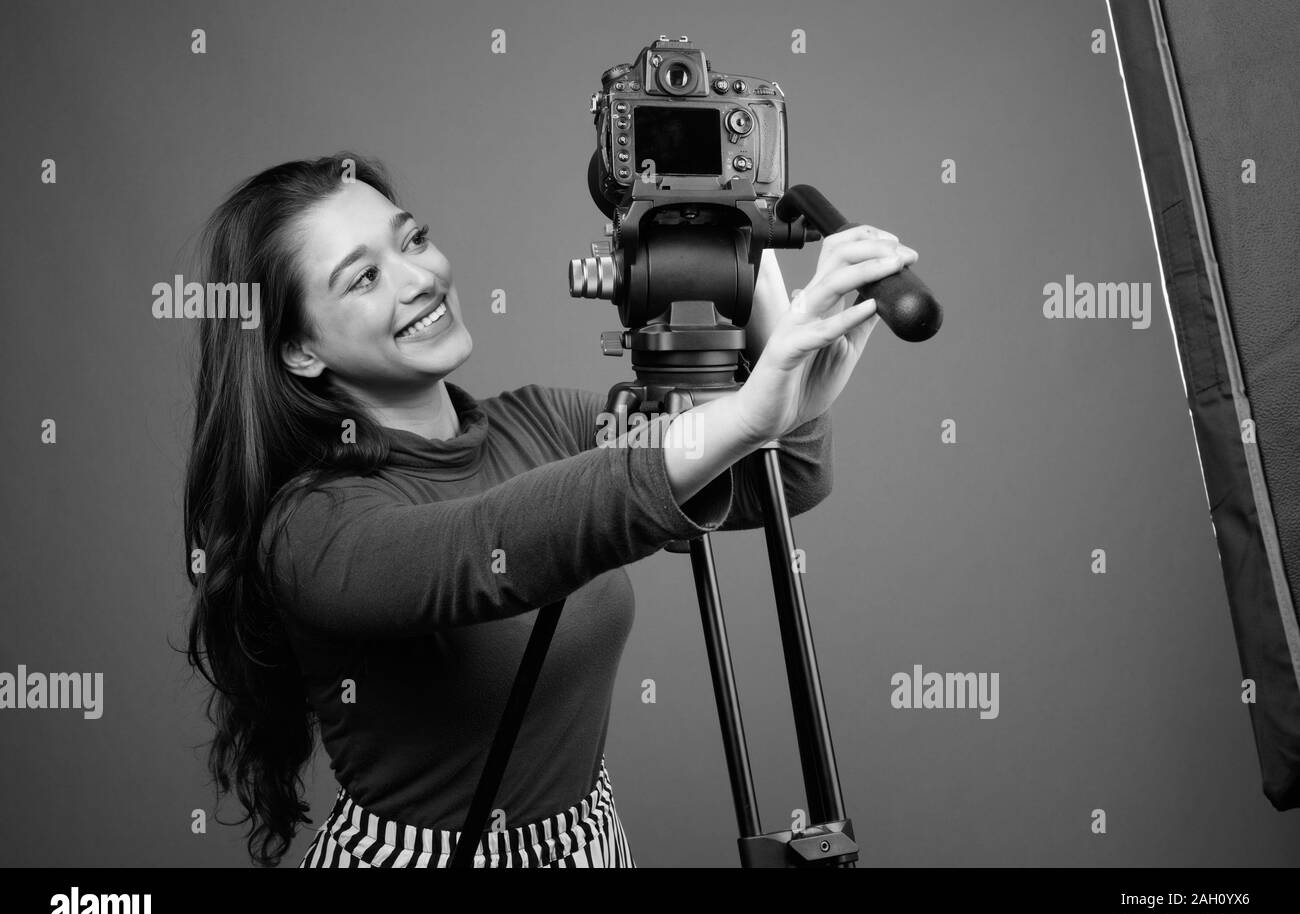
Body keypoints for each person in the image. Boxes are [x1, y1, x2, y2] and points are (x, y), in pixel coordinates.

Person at [183, 152, 918, 868]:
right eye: (366, 277)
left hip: (589, 843)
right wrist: (751, 411)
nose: (419, 278)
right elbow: (489, 547)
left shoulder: (542, 423)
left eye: (414, 240)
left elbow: (780, 476)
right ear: (300, 349)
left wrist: (761, 289)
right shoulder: (311, 528)